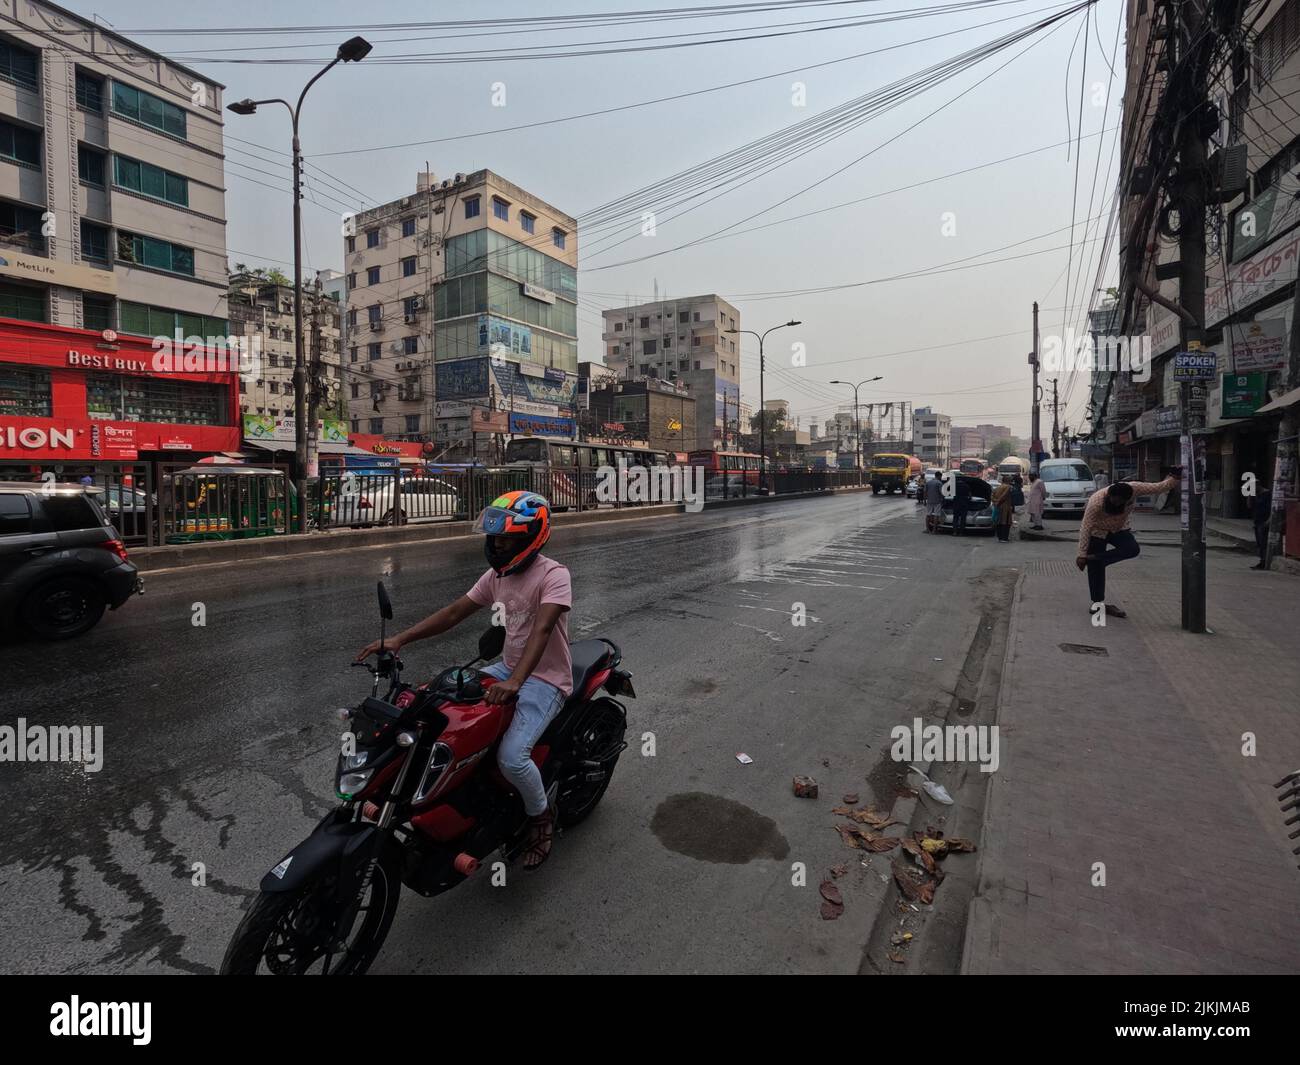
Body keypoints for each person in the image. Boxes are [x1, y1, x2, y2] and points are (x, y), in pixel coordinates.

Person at [355, 491, 571, 870]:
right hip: (506, 670)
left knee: (512, 758)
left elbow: (543, 628)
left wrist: (517, 681)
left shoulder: (554, 575)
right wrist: (400, 638)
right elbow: (455, 612)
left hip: (544, 679)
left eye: (507, 538)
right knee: (434, 706)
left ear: (531, 538)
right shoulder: (496, 576)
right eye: (495, 538)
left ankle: (541, 818)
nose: (498, 545)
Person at [1075, 469, 1180, 617]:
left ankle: (1097, 559)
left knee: (1132, 549)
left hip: (1119, 529)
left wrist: (1174, 478)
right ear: (1109, 495)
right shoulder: (1096, 502)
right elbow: (1085, 528)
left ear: (1127, 498)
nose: (1115, 503)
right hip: (1097, 531)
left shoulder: (1134, 488)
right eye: (1113, 500)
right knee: (1096, 570)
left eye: (1119, 502)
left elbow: (1158, 487)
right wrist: (1081, 554)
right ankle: (1097, 604)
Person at [1251, 483, 1274, 570]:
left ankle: (1264, 562)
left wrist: (1269, 520)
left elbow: (1272, 508)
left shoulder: (1268, 494)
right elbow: (1249, 506)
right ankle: (1261, 561)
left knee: (1263, 543)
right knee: (1259, 543)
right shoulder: (1257, 495)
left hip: (1264, 521)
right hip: (1257, 521)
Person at [991, 476, 1014, 542]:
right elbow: (1004, 496)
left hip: (998, 506)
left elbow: (992, 496)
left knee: (999, 521)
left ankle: (1000, 537)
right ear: (1008, 480)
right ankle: (1004, 538)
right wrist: (998, 501)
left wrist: (995, 502)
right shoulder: (1008, 487)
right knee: (1006, 522)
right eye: (1010, 480)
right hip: (1005, 507)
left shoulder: (997, 488)